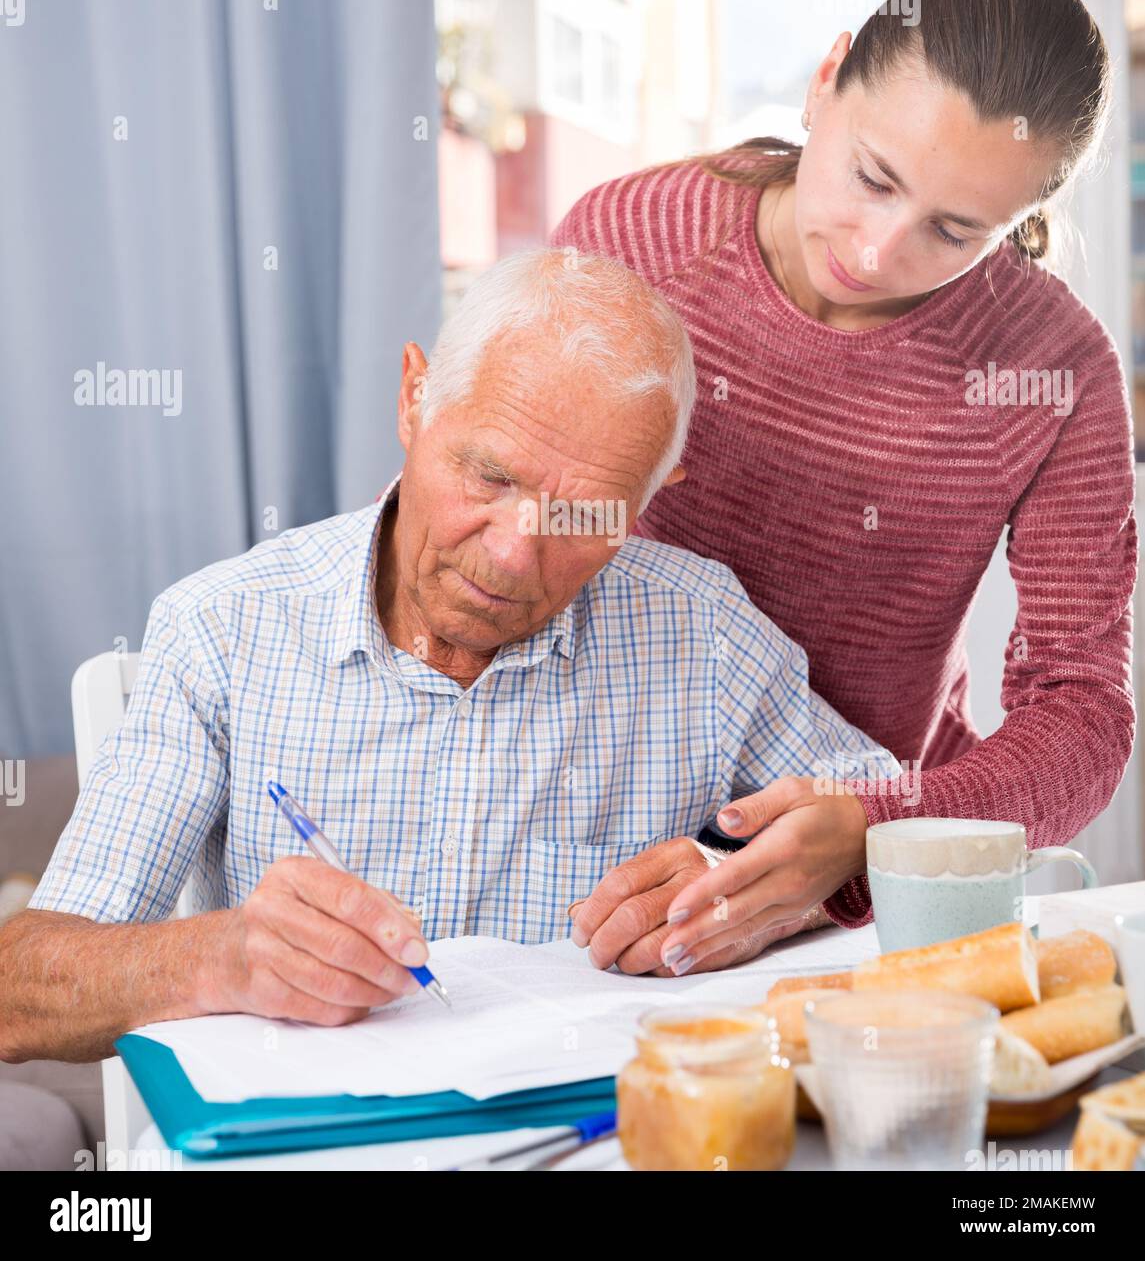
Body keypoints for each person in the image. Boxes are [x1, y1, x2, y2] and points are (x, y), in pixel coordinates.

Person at [0, 249, 896, 1063]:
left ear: (653, 497)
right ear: (411, 398)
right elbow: (21, 993)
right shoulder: (222, 630)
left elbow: (909, 841)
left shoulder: (702, 632)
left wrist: (779, 897)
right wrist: (219, 956)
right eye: (490, 477)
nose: (511, 555)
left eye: (585, 516)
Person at [550, 0, 1137, 969]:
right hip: (597, 844)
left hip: (861, 896)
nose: (873, 253)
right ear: (826, 79)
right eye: (871, 177)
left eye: (952, 231)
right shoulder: (627, 241)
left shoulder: (1055, 368)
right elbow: (520, 518)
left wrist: (880, 825)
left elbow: (1082, 711)